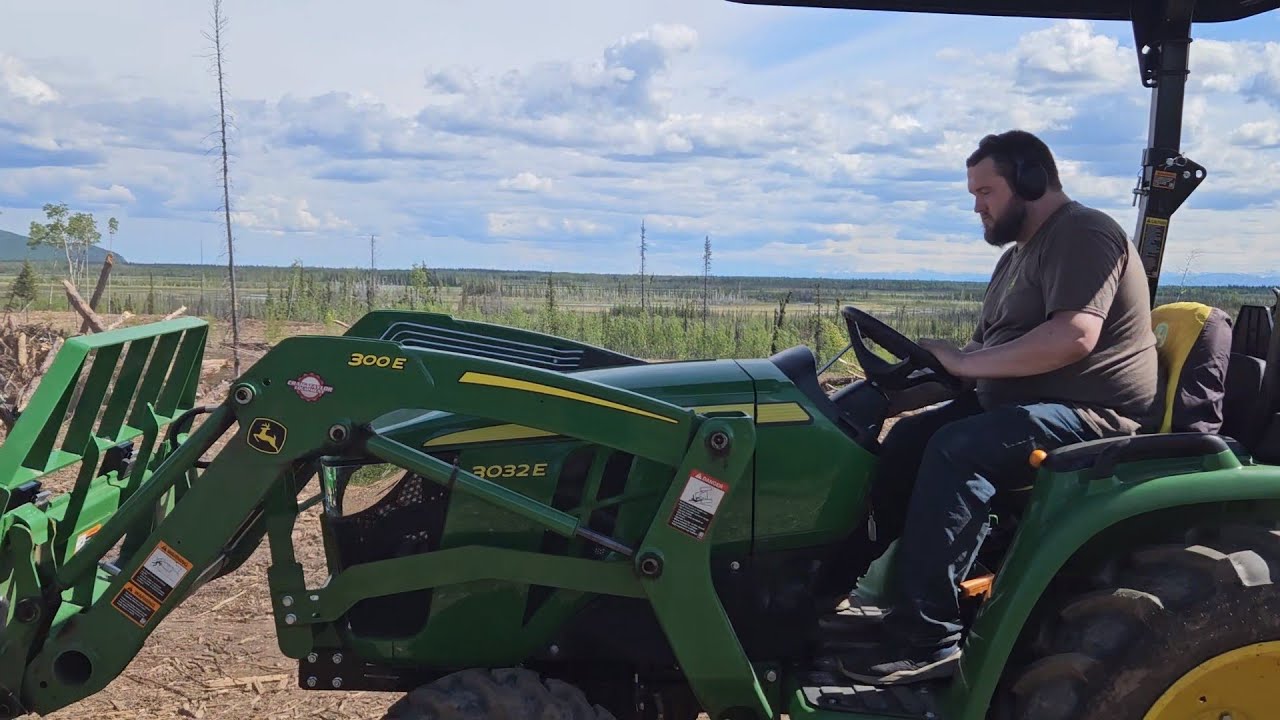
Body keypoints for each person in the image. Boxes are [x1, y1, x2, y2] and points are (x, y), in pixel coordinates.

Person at [836, 130, 1159, 686]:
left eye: (985, 192)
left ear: (1030, 181)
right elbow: (983, 357)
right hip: (1026, 405)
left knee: (958, 449)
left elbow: (1073, 337)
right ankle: (831, 590)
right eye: (973, 195)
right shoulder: (1015, 258)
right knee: (907, 441)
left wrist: (963, 363)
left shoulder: (1083, 233)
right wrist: (895, 391)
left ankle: (929, 639)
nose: (977, 207)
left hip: (1090, 413)